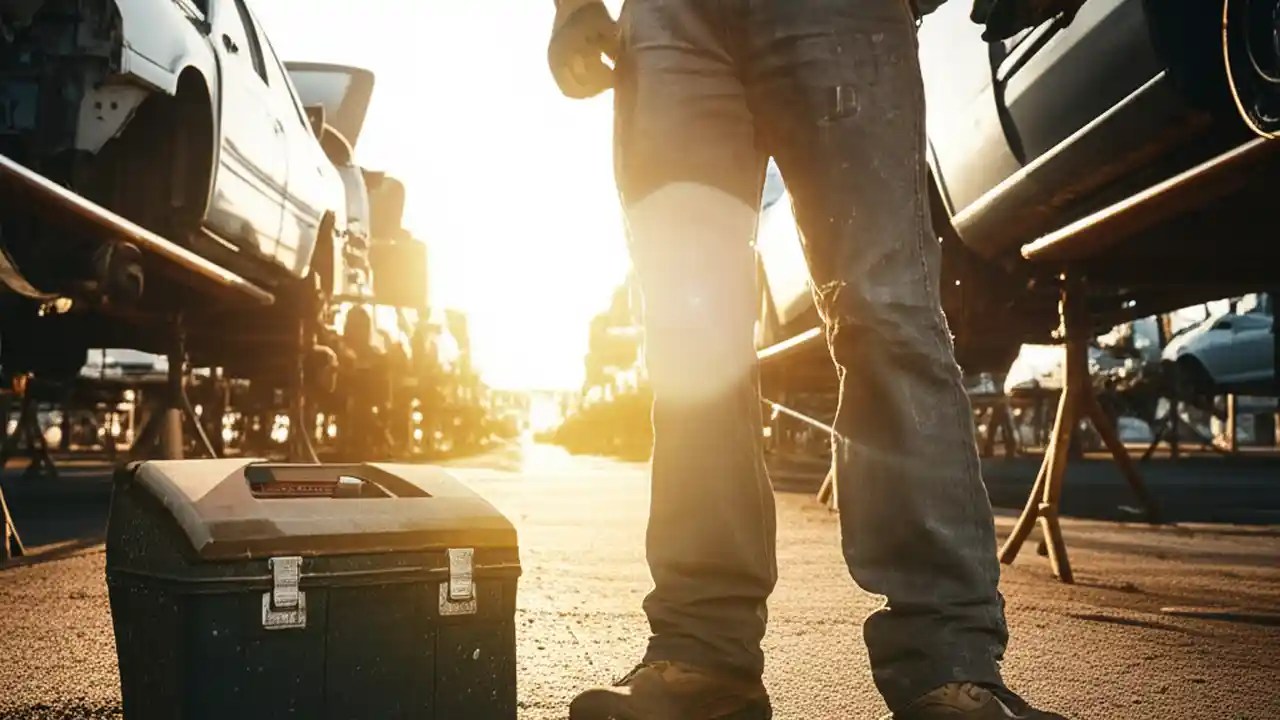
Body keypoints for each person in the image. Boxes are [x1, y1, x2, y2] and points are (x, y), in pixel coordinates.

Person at [546, 1, 1070, 718]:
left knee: (886, 314)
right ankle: (702, 656)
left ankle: (949, 663)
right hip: (673, 23)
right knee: (690, 344)